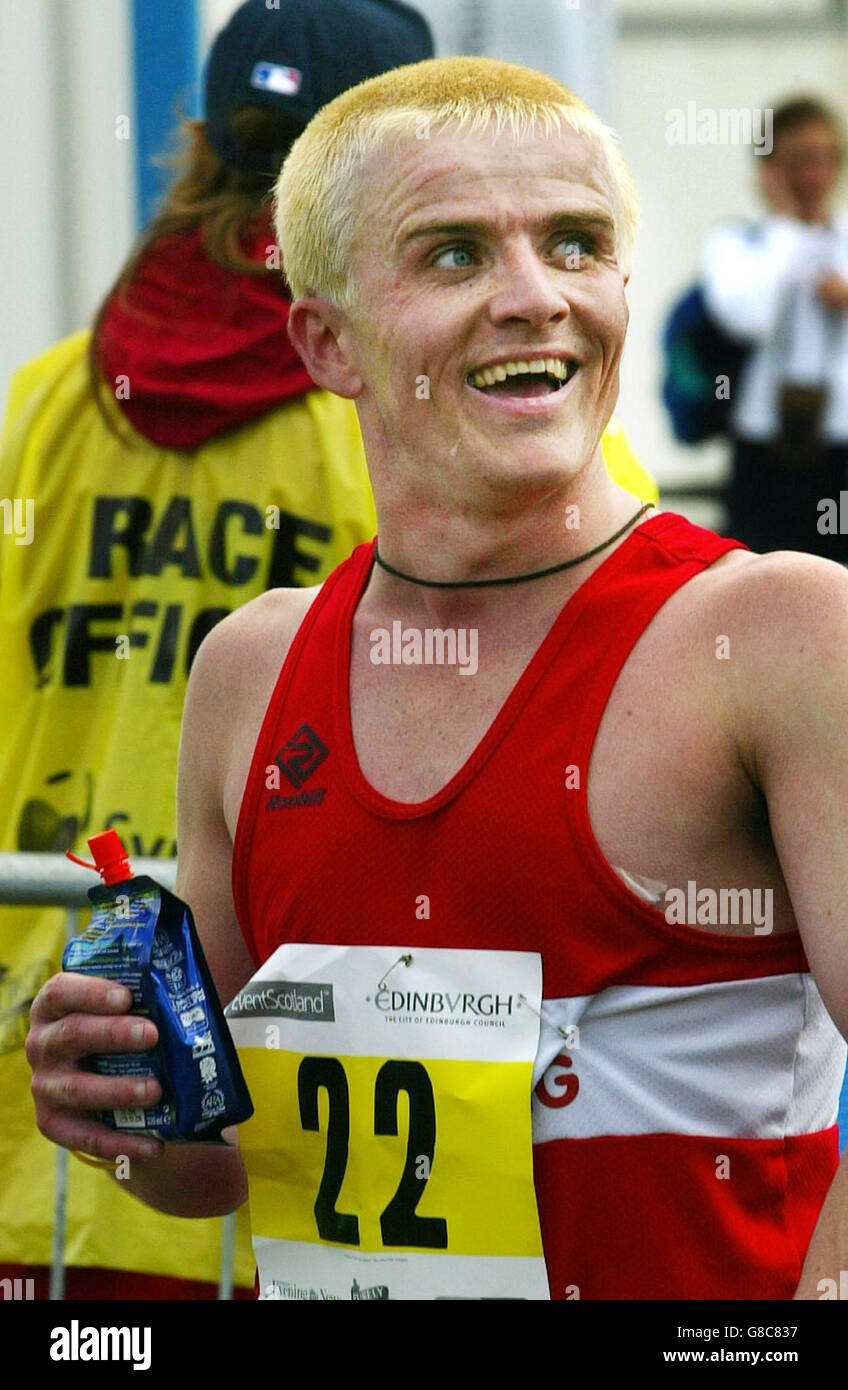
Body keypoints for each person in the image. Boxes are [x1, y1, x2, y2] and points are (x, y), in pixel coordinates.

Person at [29, 55, 833, 1303]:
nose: (534, 299)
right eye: (452, 254)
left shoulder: (776, 631)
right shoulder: (251, 667)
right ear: (327, 341)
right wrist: (115, 1107)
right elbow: (229, 1158)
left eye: (573, 243)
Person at [0, 0, 435, 1301]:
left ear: (201, 145)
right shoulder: (436, 431)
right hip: (306, 1135)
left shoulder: (41, 407)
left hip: (48, 1108)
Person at [701, 97, 848, 558]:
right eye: (800, 160)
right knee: (759, 577)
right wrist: (786, 227)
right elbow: (747, 319)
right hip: (764, 441)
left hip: (841, 441)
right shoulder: (739, 244)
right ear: (771, 169)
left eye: (828, 158)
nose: (816, 174)